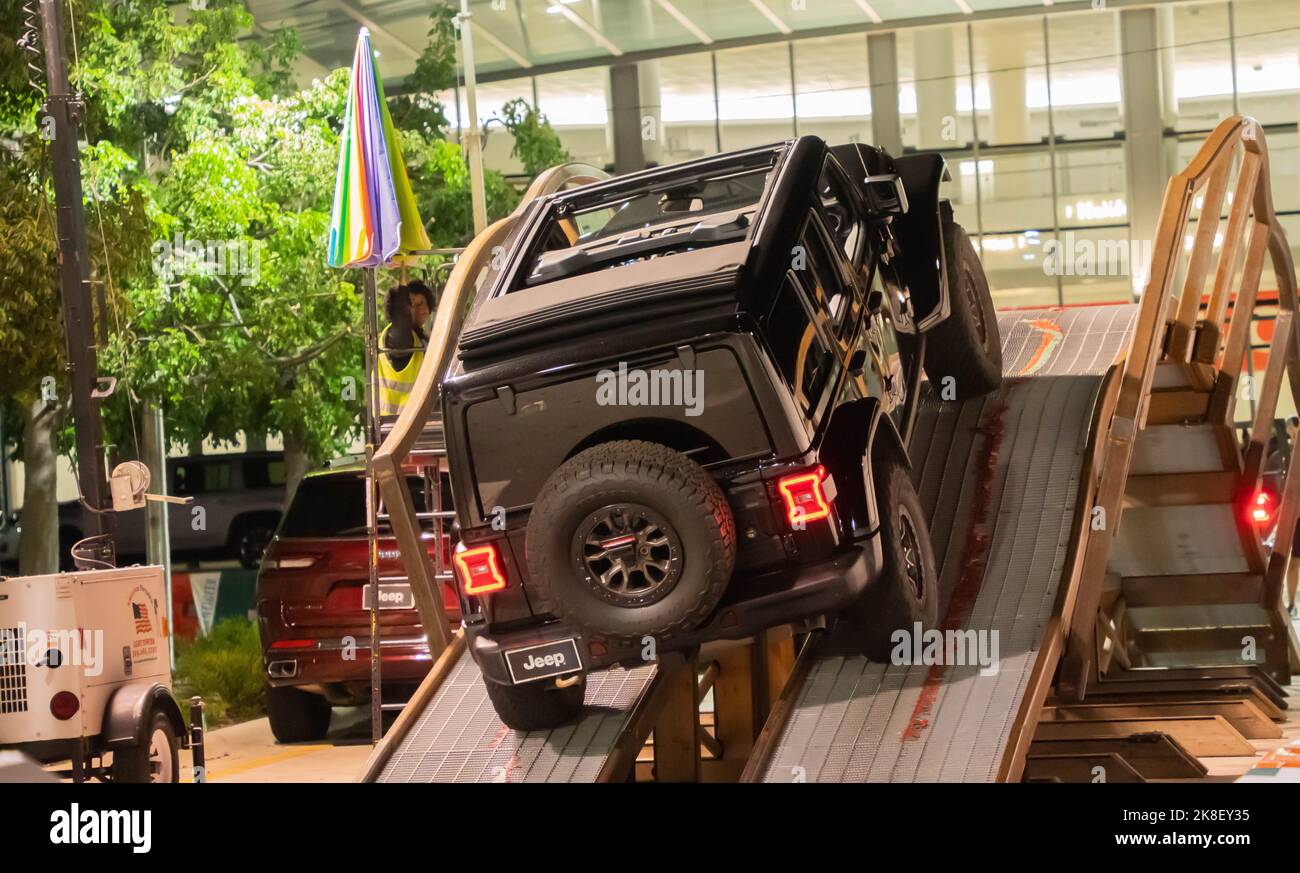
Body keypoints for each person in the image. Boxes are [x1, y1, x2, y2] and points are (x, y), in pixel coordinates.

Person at [378, 280, 434, 415]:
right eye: (411, 304)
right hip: (395, 424)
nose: (415, 308)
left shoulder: (423, 339)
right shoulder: (395, 337)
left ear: (428, 310)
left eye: (420, 304)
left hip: (415, 419)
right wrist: (401, 295)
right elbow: (401, 323)